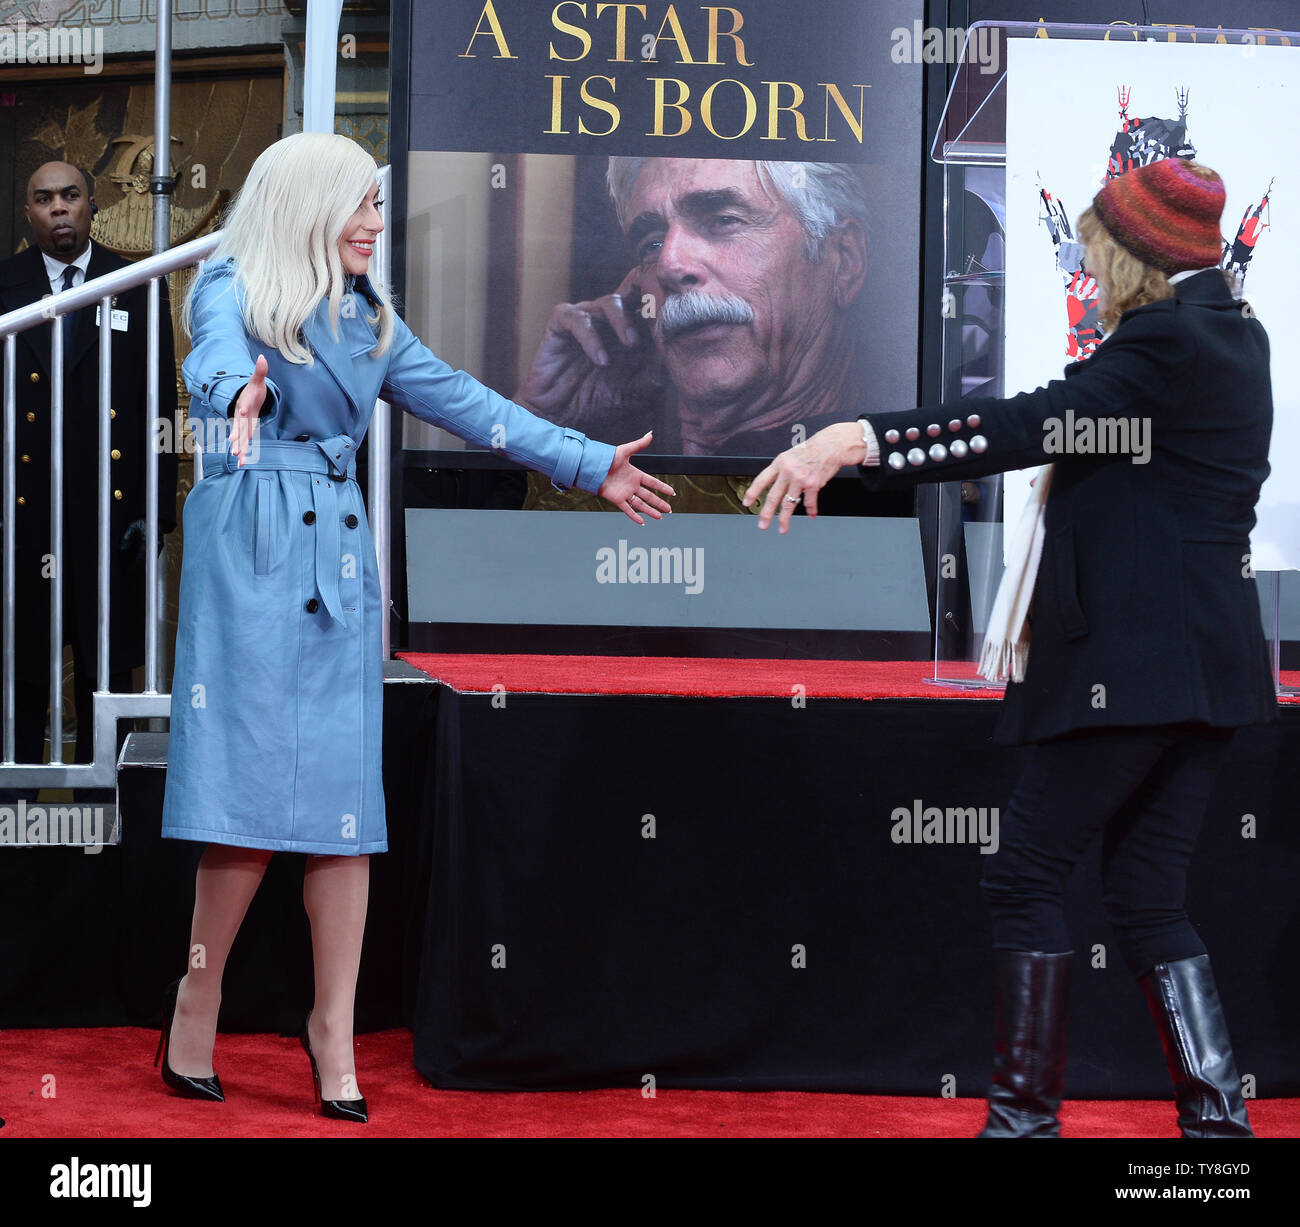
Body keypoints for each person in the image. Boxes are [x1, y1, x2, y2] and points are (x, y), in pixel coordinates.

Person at [743, 157, 1273, 1138]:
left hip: (1135, 669)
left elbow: (1019, 425)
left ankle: (1022, 1127)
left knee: (1023, 874)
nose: (1088, 261)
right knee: (1149, 895)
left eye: (1100, 244)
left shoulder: (1163, 343)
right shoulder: (1235, 336)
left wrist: (854, 439)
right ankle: (1216, 1133)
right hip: (1208, 668)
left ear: (1140, 254)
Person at [156, 132, 674, 1121]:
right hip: (257, 554)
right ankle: (198, 995)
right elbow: (215, 366)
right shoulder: (230, 285)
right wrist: (235, 398)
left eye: (379, 207)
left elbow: (472, 406)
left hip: (340, 564)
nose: (375, 223)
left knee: (344, 811)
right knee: (252, 804)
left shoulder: (371, 322)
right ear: (306, 205)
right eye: (357, 205)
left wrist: (584, 461)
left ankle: (332, 1030)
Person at [0, 161, 178, 796]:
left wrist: (157, 514)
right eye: (44, 198)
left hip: (107, 513)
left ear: (92, 203)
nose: (59, 208)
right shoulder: (6, 285)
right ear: (28, 213)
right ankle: (15, 812)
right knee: (22, 672)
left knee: (105, 675)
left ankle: (106, 825)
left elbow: (159, 406)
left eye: (70, 195)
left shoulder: (134, 284)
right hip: (24, 517)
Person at [515, 157, 869, 457]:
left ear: (844, 262)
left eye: (724, 220)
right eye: (652, 244)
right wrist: (535, 423)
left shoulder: (895, 484)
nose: (669, 265)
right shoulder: (612, 468)